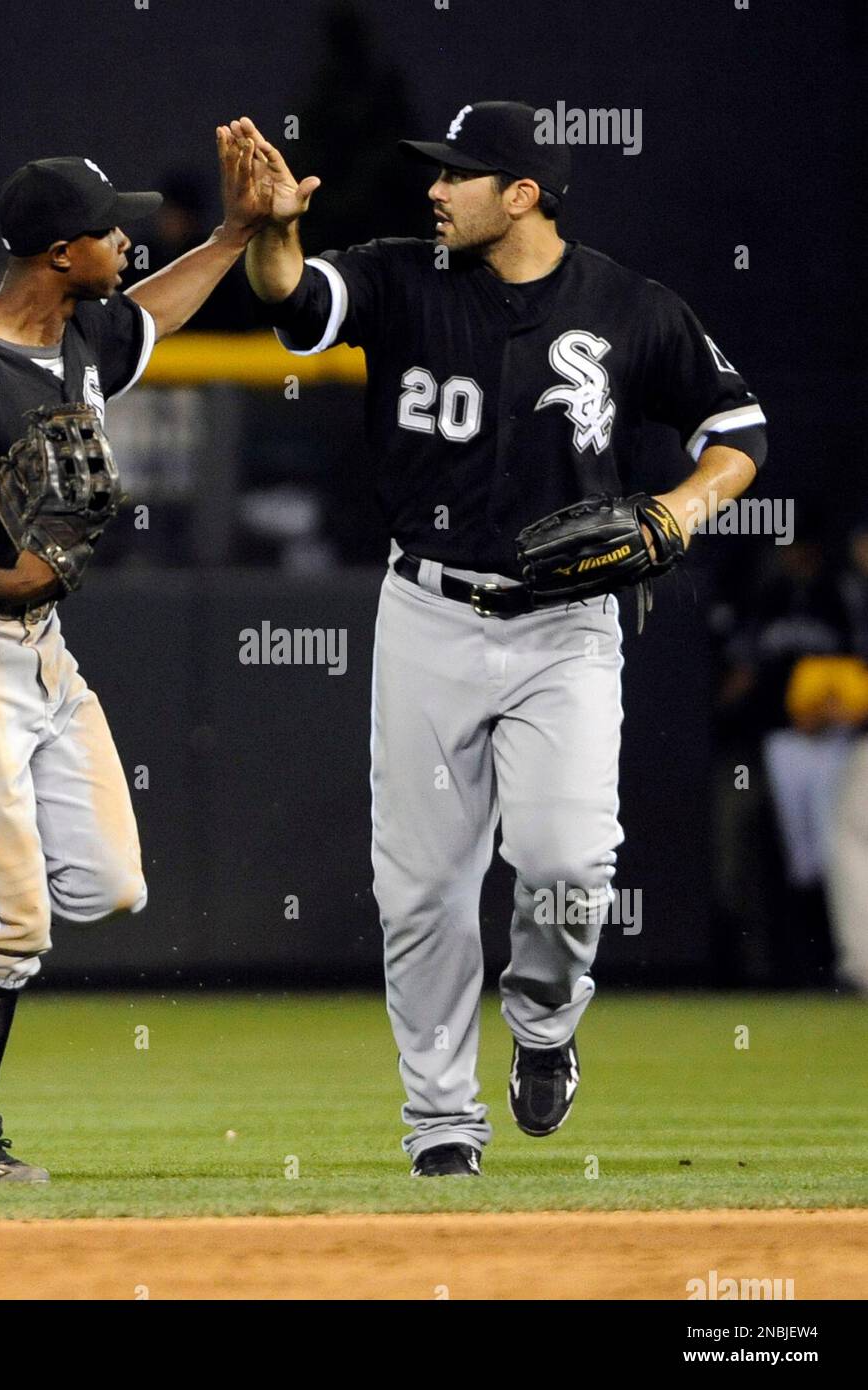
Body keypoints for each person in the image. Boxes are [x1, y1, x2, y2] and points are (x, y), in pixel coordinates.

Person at [238, 102, 767, 1175]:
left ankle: (543, 1022)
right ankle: (440, 1119)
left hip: (566, 628)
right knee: (422, 885)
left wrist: (680, 508)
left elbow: (738, 426)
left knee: (570, 866)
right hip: (427, 611)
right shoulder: (399, 277)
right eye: (435, 174)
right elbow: (295, 300)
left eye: (459, 175)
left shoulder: (628, 306)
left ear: (520, 193)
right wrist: (268, 229)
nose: (434, 190)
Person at [0, 130, 267, 1182]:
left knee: (109, 882)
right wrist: (1, 581)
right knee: (16, 911)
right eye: (107, 231)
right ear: (56, 253)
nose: (126, 240)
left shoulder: (80, 334)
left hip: (38, 649)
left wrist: (235, 234)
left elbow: (153, 315)